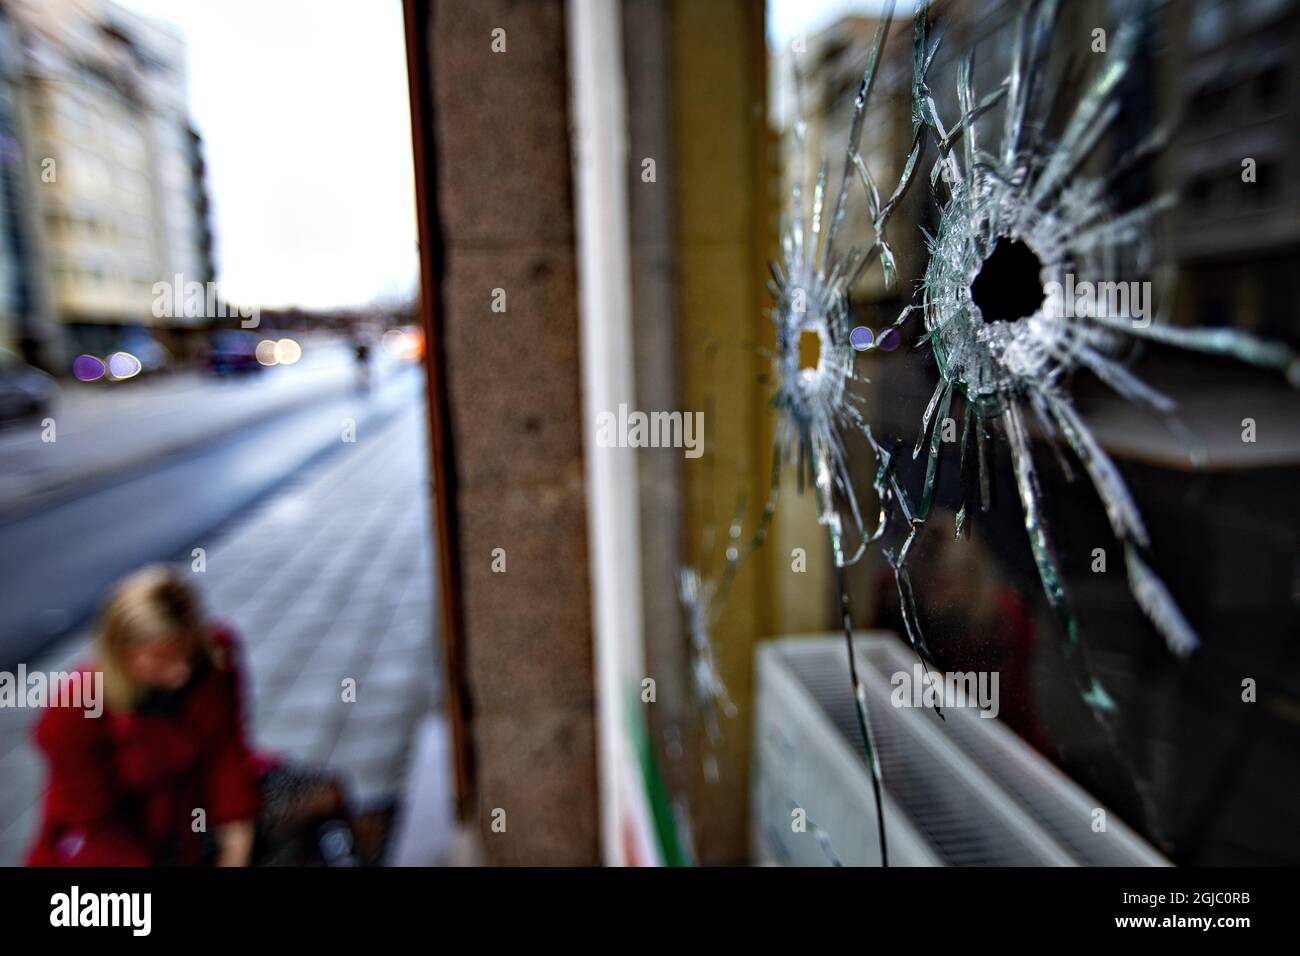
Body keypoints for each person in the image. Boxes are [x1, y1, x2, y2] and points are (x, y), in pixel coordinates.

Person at [26, 565, 354, 866]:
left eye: (185, 653)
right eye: (159, 660)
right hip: (125, 841)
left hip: (197, 811)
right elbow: (100, 825)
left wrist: (236, 845)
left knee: (322, 794)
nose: (181, 673)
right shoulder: (74, 708)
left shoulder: (215, 652)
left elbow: (227, 752)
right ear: (120, 651)